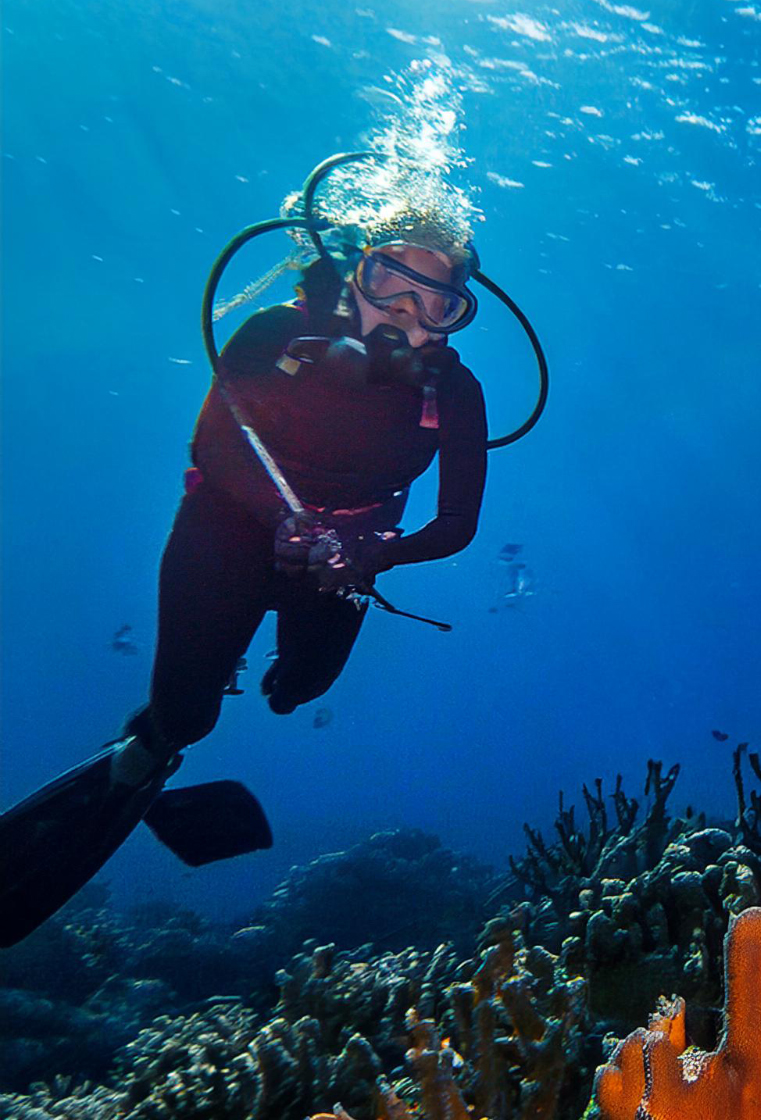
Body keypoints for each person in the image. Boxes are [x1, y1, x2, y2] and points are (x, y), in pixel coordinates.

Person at [0, 214, 489, 946]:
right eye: (390, 281)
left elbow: (457, 522)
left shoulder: (454, 392)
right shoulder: (274, 333)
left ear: (455, 317)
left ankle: (216, 699)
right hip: (226, 526)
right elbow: (215, 444)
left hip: (345, 552)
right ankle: (142, 759)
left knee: (299, 691)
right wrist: (283, 521)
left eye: (435, 303)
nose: (403, 313)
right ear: (357, 271)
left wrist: (372, 554)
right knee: (186, 716)